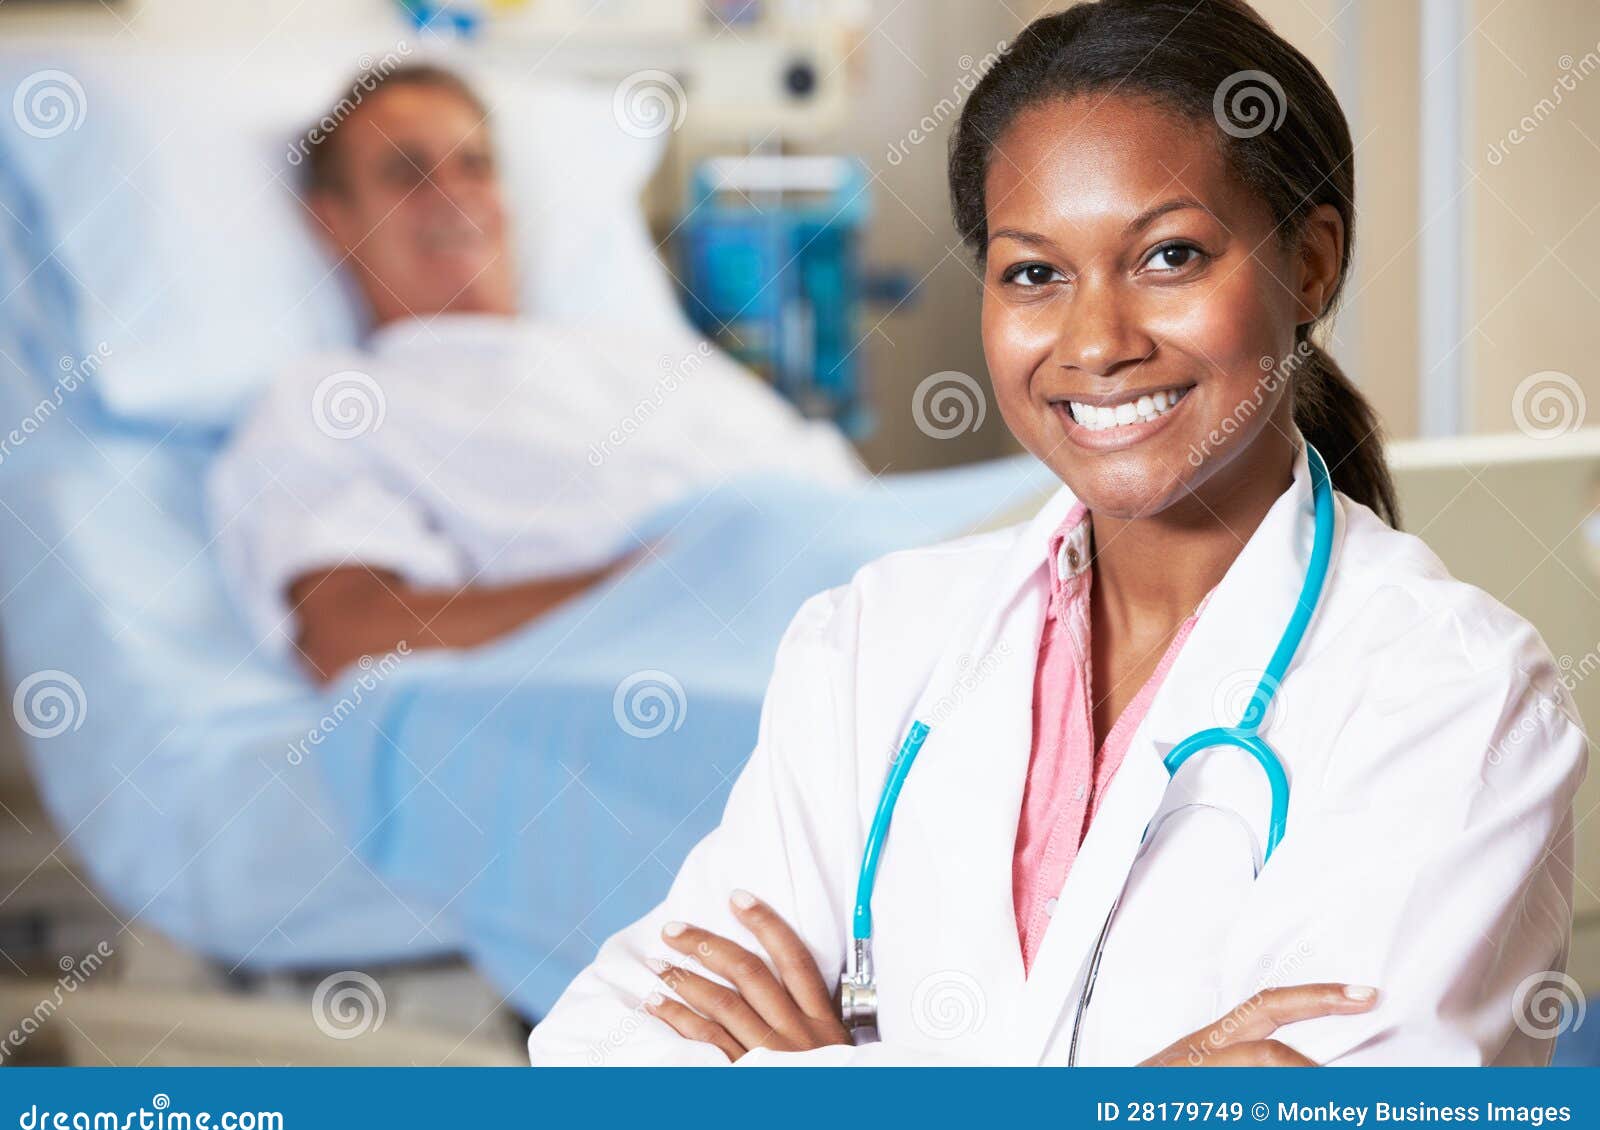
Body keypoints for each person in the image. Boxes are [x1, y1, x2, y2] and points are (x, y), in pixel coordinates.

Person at [526, 0, 1586, 1066]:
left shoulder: (1449, 693)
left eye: (1169, 256)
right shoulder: (869, 644)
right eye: (1033, 272)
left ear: (1308, 266)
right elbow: (599, 1059)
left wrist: (808, 1076)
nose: (1096, 340)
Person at [208, 65, 864, 682]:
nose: (452, 193)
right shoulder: (330, 400)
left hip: (851, 598)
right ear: (333, 219)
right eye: (407, 172)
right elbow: (350, 634)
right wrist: (651, 587)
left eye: (475, 165)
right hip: (677, 665)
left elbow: (840, 501)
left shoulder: (652, 356)